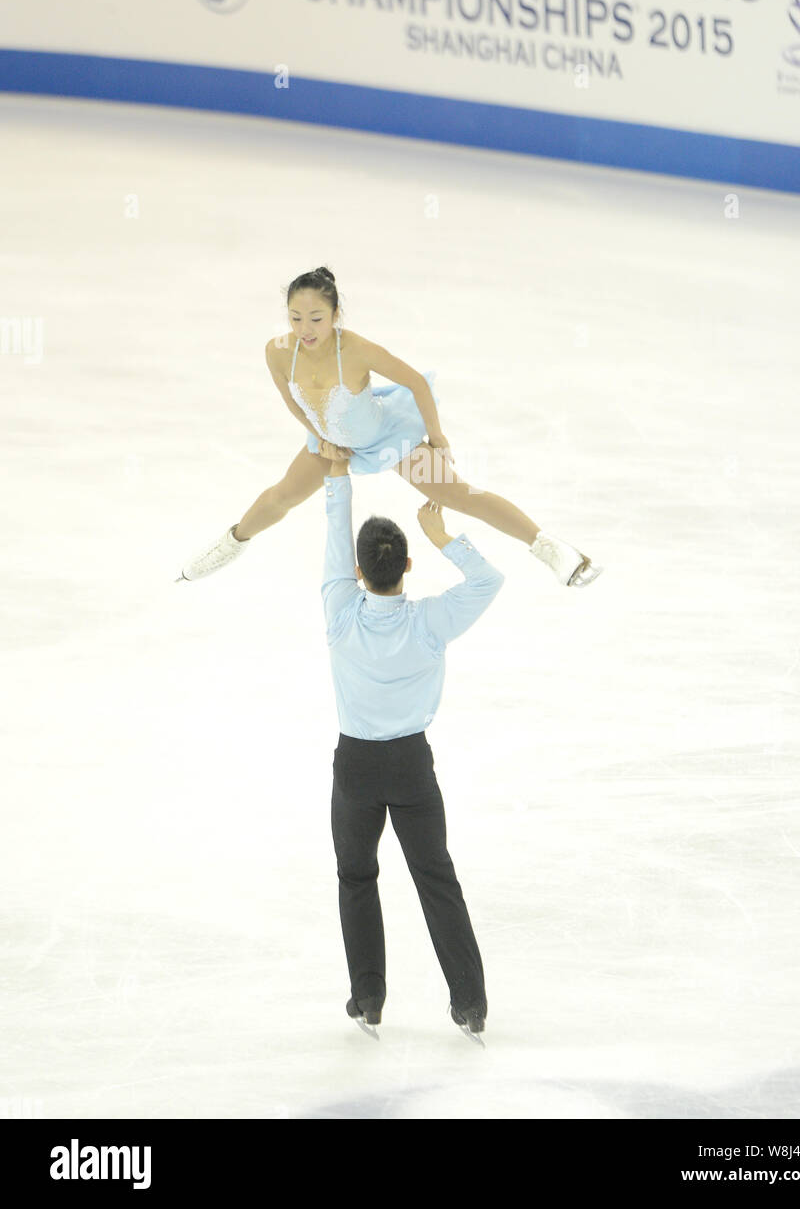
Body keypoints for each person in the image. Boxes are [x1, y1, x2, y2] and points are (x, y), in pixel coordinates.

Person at [176, 265, 602, 589]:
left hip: (385, 439)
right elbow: (292, 402)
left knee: (459, 495)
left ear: (336, 314)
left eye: (317, 318)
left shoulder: (356, 350)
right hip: (330, 443)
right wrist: (323, 439)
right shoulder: (277, 351)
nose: (305, 329)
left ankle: (551, 549)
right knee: (281, 496)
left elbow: (415, 382)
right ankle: (231, 544)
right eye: (295, 318)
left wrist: (437, 439)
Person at [321, 443, 503, 1040]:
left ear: (358, 570)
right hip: (410, 766)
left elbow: (334, 534)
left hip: (355, 766)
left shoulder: (340, 610)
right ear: (405, 568)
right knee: (435, 877)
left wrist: (338, 471)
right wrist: (442, 533)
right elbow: (489, 580)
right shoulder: (431, 621)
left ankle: (368, 997)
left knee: (356, 876)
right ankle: (470, 1003)